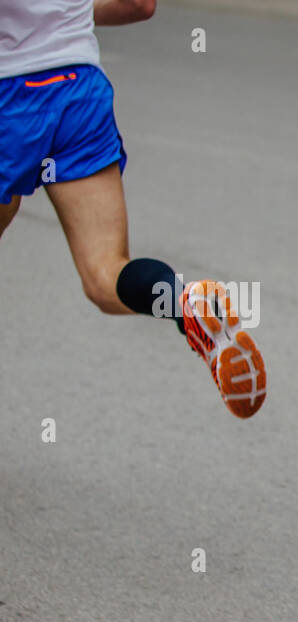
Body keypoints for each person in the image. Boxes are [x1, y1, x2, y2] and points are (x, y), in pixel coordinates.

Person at [0, 0, 266, 418]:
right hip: (76, 89)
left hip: (8, 94)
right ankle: (184, 304)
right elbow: (139, 4)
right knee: (106, 274)